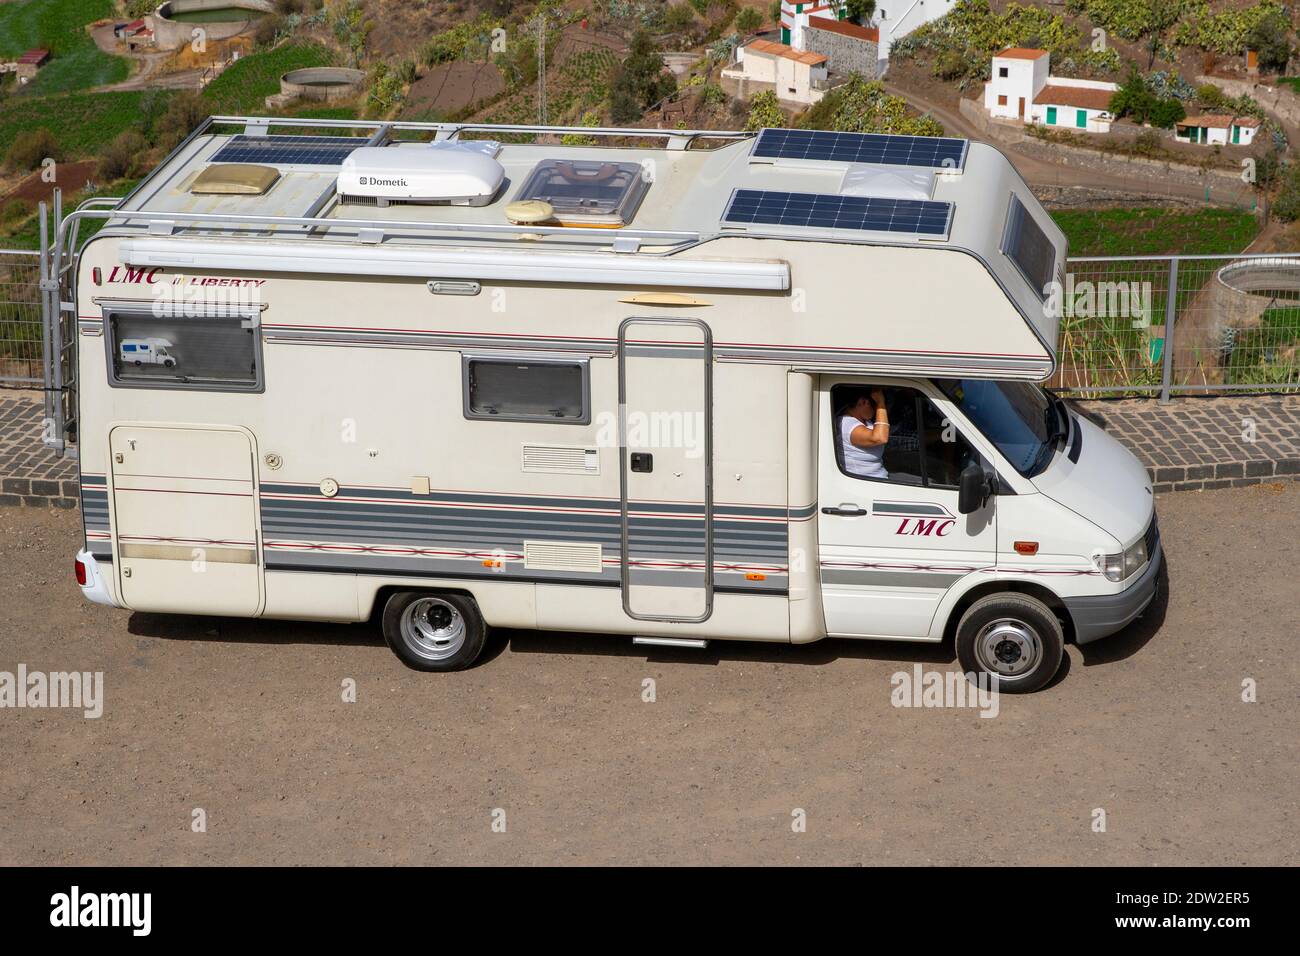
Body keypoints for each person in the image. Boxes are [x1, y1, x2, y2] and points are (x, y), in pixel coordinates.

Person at [837, 387, 890, 480]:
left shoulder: (863, 420)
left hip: (878, 477)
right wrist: (880, 403)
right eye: (874, 406)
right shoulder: (847, 424)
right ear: (863, 402)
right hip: (864, 482)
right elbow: (880, 437)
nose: (875, 411)